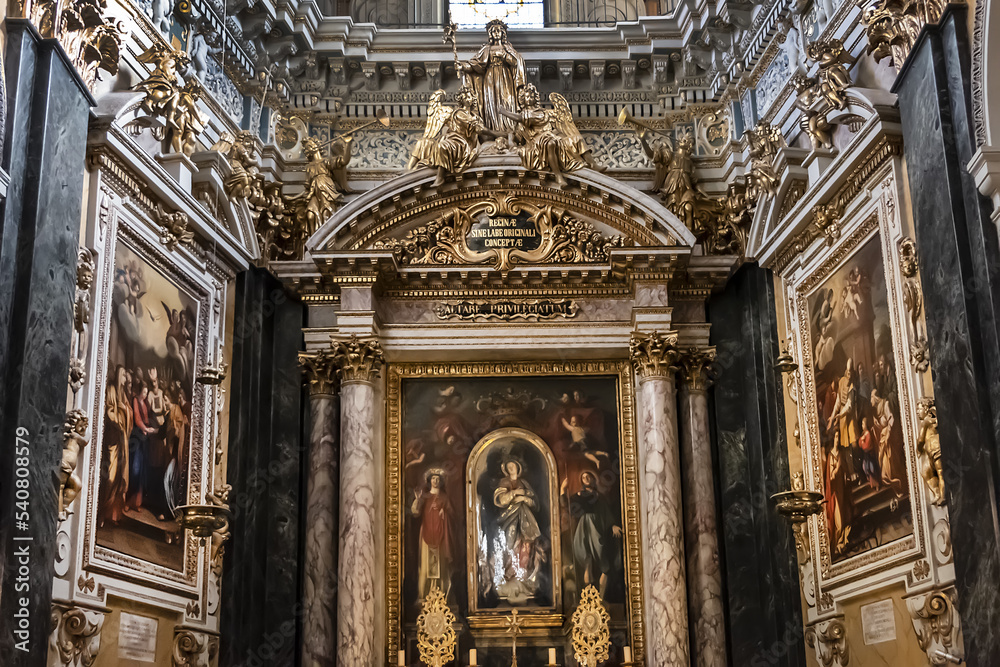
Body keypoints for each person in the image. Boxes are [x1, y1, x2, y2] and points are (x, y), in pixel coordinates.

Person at [459, 20, 525, 134]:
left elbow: (516, 62)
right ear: (490, 34)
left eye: (499, 30)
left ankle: (509, 129)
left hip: (505, 77)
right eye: (494, 31)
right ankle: (494, 129)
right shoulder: (486, 49)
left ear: (503, 33)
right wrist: (462, 66)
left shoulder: (507, 48)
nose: (497, 33)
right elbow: (475, 65)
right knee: (491, 102)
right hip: (489, 78)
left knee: (507, 100)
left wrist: (504, 56)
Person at [561, 471, 621, 596]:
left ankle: (600, 598)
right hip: (583, 527)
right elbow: (565, 504)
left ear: (593, 479)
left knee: (604, 564)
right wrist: (563, 488)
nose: (586, 478)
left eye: (588, 476)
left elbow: (606, 512)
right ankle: (588, 600)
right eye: (583, 477)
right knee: (587, 562)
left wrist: (613, 525)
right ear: (581, 481)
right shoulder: (578, 495)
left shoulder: (599, 496)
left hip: (597, 528)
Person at [411, 469, 455, 601]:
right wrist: (417, 500)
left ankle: (441, 595)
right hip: (426, 534)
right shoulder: (424, 497)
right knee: (426, 566)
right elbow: (415, 512)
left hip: (441, 535)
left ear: (440, 482)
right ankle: (425, 595)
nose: (435, 481)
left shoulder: (444, 497)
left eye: (437, 479)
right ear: (429, 481)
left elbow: (452, 513)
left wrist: (445, 512)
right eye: (433, 479)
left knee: (440, 566)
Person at [493, 457, 542, 576]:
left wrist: (524, 498)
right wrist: (515, 493)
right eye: (508, 467)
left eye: (513, 466)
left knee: (526, 544)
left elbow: (534, 503)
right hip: (509, 517)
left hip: (526, 517)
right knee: (510, 542)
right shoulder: (504, 482)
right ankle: (508, 572)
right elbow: (501, 500)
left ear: (517, 467)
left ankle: (523, 572)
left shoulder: (524, 483)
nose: (511, 468)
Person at [100, 365, 132, 527]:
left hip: (122, 440)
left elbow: (128, 415)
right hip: (113, 439)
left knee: (119, 477)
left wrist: (124, 411)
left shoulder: (124, 394)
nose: (126, 379)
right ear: (119, 375)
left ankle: (112, 515)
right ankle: (102, 513)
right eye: (124, 375)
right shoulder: (112, 390)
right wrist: (119, 418)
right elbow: (108, 411)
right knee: (110, 477)